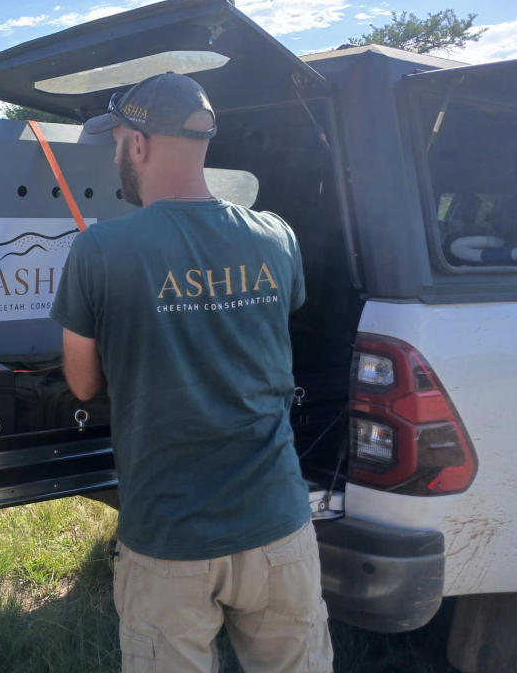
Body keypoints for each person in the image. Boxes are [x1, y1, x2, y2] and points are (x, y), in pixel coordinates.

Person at [50, 74, 332, 673]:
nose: (119, 154)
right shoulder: (275, 235)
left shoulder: (99, 249)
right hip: (279, 526)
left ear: (139, 144)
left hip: (169, 538)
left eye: (118, 140)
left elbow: (83, 383)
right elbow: (268, 329)